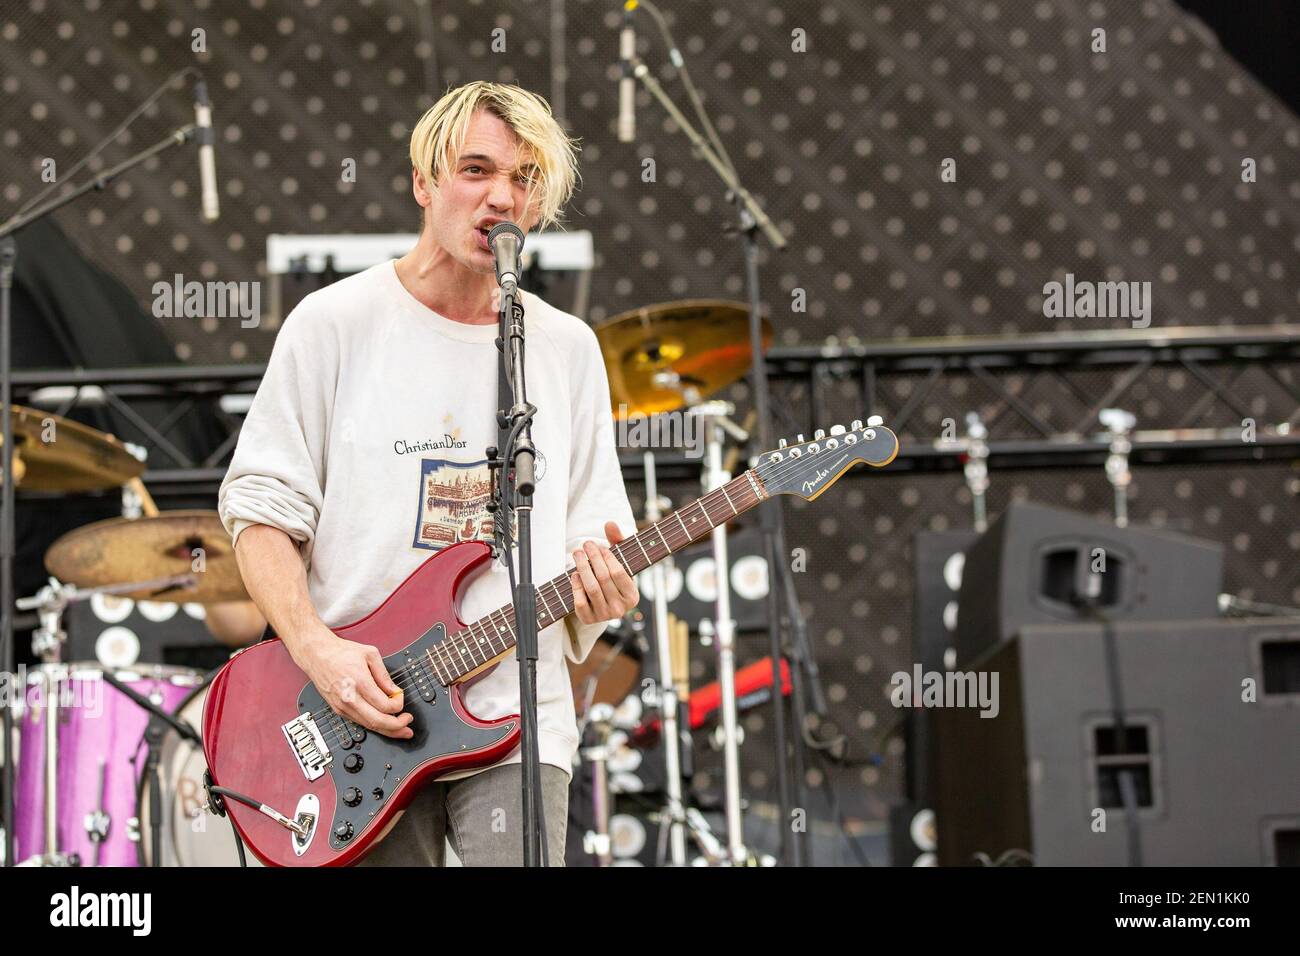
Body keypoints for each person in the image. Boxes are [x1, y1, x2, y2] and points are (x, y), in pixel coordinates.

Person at [218, 81, 638, 867]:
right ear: (423, 182)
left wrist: (605, 590)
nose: (500, 198)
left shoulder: (566, 347)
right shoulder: (334, 323)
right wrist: (317, 650)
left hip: (521, 717)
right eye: (476, 170)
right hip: (361, 719)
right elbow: (261, 511)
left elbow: (594, 531)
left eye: (524, 179)